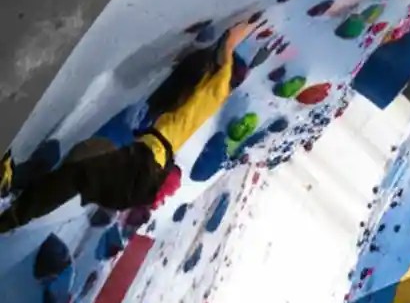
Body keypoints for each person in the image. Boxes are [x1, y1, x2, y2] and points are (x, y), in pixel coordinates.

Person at [0, 19, 255, 232]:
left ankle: (11, 206)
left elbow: (224, 54)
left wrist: (236, 36)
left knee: (78, 169)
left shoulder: (219, 88)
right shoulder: (205, 95)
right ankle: (15, 194)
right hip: (147, 164)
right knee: (79, 165)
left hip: (147, 164)